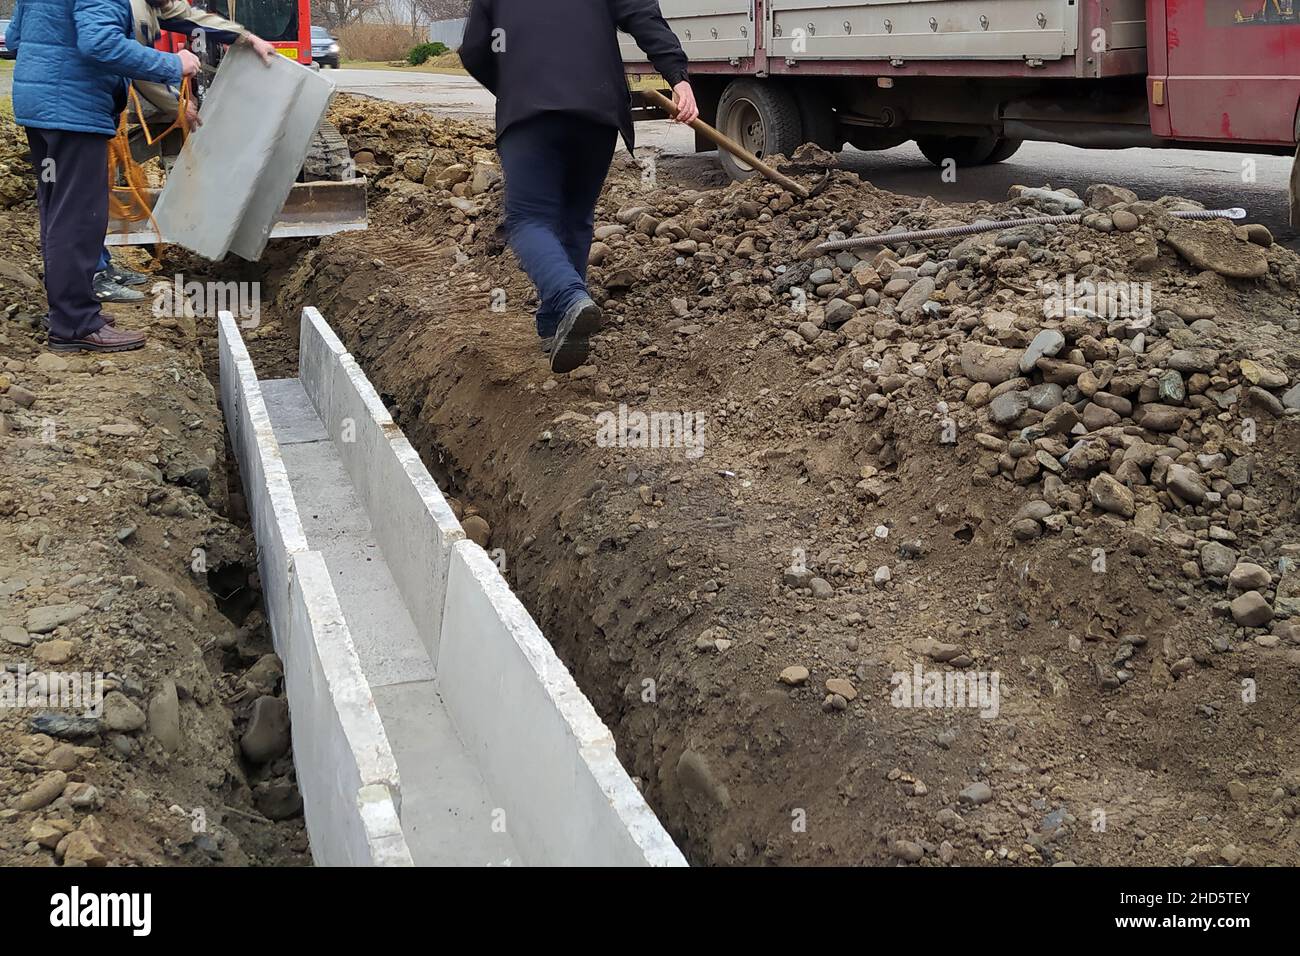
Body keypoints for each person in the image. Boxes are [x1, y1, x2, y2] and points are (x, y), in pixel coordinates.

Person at [460, 0, 697, 373]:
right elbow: (642, 14)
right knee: (574, 218)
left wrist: (513, 85)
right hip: (596, 112)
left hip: (530, 114)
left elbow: (475, 49)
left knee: (527, 221)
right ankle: (556, 326)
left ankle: (570, 298)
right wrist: (678, 76)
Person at [8, 0, 201, 353]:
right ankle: (76, 323)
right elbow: (100, 44)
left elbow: (16, 39)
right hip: (74, 114)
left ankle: (69, 310)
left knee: (58, 213)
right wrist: (175, 63)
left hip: (39, 110)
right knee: (79, 219)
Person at [92, 0, 276, 304]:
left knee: (90, 191)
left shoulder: (154, 4)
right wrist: (177, 103)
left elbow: (190, 17)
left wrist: (245, 37)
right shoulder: (134, 10)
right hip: (81, 111)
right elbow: (139, 69)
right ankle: (92, 274)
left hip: (86, 108)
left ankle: (99, 266)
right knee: (85, 194)